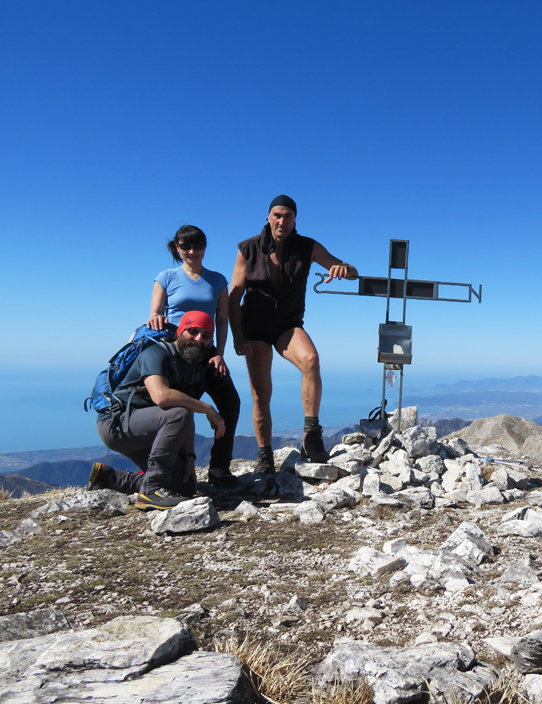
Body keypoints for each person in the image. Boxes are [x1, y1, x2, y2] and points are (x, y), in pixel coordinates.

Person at [229, 195, 357, 472]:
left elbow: (352, 272)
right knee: (261, 393)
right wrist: (237, 336)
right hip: (255, 328)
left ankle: (312, 435)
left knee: (310, 360)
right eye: (277, 215)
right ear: (268, 217)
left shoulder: (307, 246)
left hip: (288, 325)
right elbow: (233, 296)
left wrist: (343, 268)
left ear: (295, 220)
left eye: (288, 216)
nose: (282, 221)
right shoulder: (248, 249)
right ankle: (265, 456)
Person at [88, 311, 226, 510]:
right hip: (117, 425)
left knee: (184, 487)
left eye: (205, 336)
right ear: (180, 331)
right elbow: (161, 397)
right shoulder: (155, 353)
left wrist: (189, 459)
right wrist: (208, 409)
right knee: (179, 413)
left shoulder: (195, 368)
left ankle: (110, 478)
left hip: (148, 430)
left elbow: (186, 415)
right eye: (193, 331)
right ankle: (153, 490)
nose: (198, 339)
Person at [147, 225, 241, 485]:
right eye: (185, 246)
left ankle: (219, 468)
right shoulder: (165, 277)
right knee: (179, 410)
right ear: (177, 248)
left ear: (205, 247)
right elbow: (154, 314)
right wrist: (155, 318)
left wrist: (220, 354)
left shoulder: (218, 280)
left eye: (197, 246)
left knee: (230, 403)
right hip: (176, 351)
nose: (192, 251)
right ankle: (175, 469)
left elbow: (222, 320)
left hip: (207, 351)